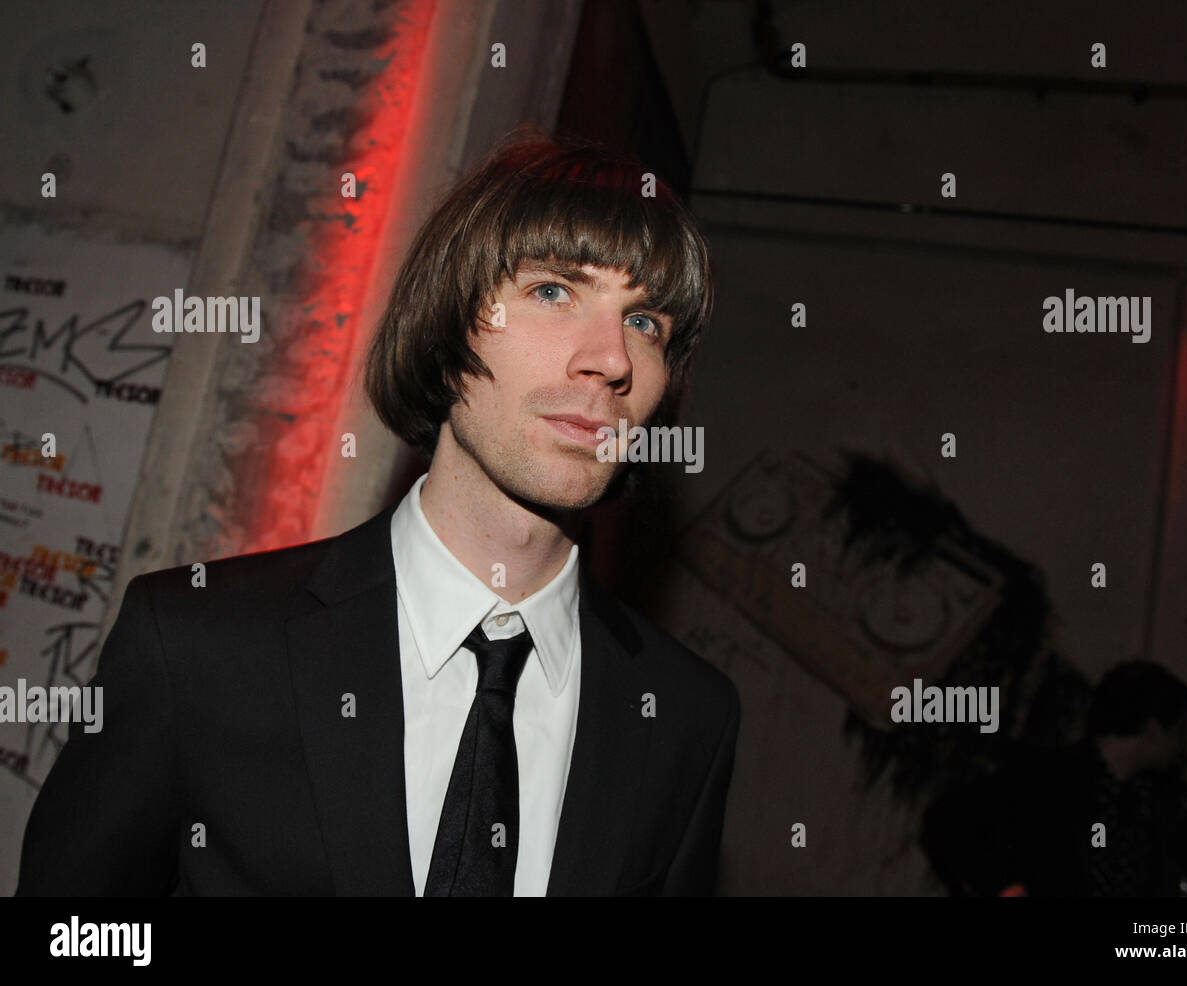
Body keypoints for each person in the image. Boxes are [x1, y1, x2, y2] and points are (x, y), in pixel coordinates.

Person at [17, 128, 740, 896]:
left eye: (646, 322)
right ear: (448, 317)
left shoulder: (685, 720)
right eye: (553, 291)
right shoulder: (200, 645)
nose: (612, 358)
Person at [921, 660, 1187, 896]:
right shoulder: (1048, 778)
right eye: (1180, 730)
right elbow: (947, 823)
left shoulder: (1150, 798)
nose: (1183, 745)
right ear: (1154, 728)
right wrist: (1007, 888)